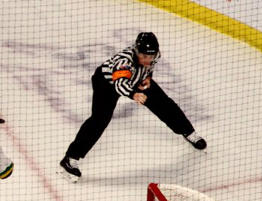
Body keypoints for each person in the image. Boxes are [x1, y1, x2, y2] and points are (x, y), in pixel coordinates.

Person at [60, 32, 206, 180]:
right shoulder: (124, 61)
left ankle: (188, 132)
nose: (148, 60)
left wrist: (148, 78)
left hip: (137, 79)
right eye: (144, 57)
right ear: (137, 51)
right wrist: (134, 94)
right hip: (107, 84)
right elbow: (120, 85)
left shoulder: (154, 55)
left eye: (151, 57)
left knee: (164, 104)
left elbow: (149, 67)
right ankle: (70, 158)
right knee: (99, 120)